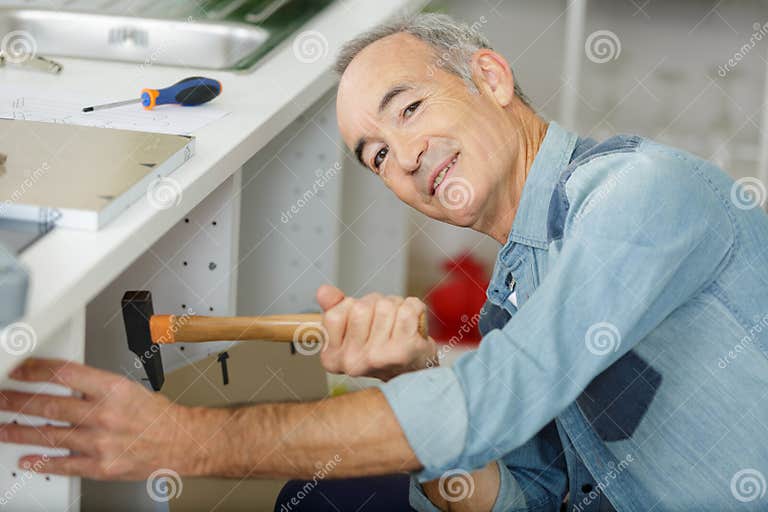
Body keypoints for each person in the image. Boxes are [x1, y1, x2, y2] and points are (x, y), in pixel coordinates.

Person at [2, 13, 768, 511]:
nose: (402, 157)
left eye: (410, 108)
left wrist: (189, 441)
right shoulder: (515, 288)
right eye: (374, 155)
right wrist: (413, 377)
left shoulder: (641, 196)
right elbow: (520, 499)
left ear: (492, 80)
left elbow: (500, 397)